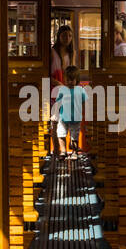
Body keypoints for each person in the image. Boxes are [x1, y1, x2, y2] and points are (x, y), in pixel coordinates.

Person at [49, 24, 75, 155]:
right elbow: (47, 74)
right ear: (59, 36)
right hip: (54, 91)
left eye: (70, 36)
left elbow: (72, 73)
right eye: (64, 35)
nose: (67, 38)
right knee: (55, 121)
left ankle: (64, 150)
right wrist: (59, 83)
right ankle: (57, 150)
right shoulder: (52, 52)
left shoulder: (71, 53)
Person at [56, 65, 86, 158]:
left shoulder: (80, 90)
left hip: (75, 117)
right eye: (68, 80)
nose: (69, 82)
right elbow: (58, 103)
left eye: (72, 80)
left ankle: (74, 152)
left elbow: (83, 102)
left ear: (76, 80)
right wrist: (55, 114)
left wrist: (83, 113)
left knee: (74, 137)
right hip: (63, 117)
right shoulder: (62, 90)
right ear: (65, 80)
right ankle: (63, 151)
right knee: (61, 134)